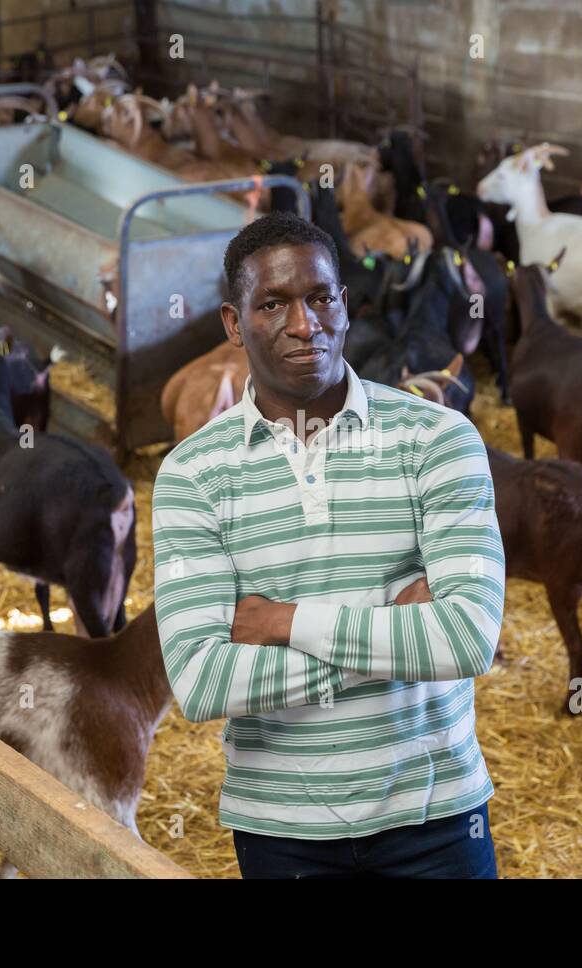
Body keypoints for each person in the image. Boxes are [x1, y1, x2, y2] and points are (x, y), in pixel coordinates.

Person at [151, 211, 505, 878]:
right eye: (273, 304)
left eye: (319, 298)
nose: (303, 324)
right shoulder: (193, 475)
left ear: (344, 306)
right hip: (283, 832)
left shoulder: (438, 439)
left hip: (438, 819)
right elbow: (199, 681)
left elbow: (466, 641)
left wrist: (283, 622)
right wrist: (397, 625)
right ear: (233, 323)